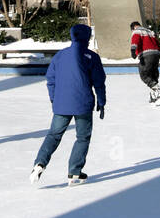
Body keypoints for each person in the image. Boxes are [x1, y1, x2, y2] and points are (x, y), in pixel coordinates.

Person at [30, 24, 106, 186]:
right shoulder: (92, 57)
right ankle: (74, 172)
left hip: (61, 103)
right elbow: (99, 82)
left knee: (54, 135)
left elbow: (50, 79)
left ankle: (40, 163)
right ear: (87, 37)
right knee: (82, 137)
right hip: (83, 103)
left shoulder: (59, 56)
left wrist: (54, 98)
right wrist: (101, 101)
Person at [130, 19, 160, 104]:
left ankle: (159, 91)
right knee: (153, 75)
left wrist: (133, 51)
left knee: (144, 74)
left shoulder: (137, 31)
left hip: (146, 55)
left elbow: (135, 40)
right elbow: (157, 44)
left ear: (133, 27)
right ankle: (154, 95)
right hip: (156, 55)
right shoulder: (150, 32)